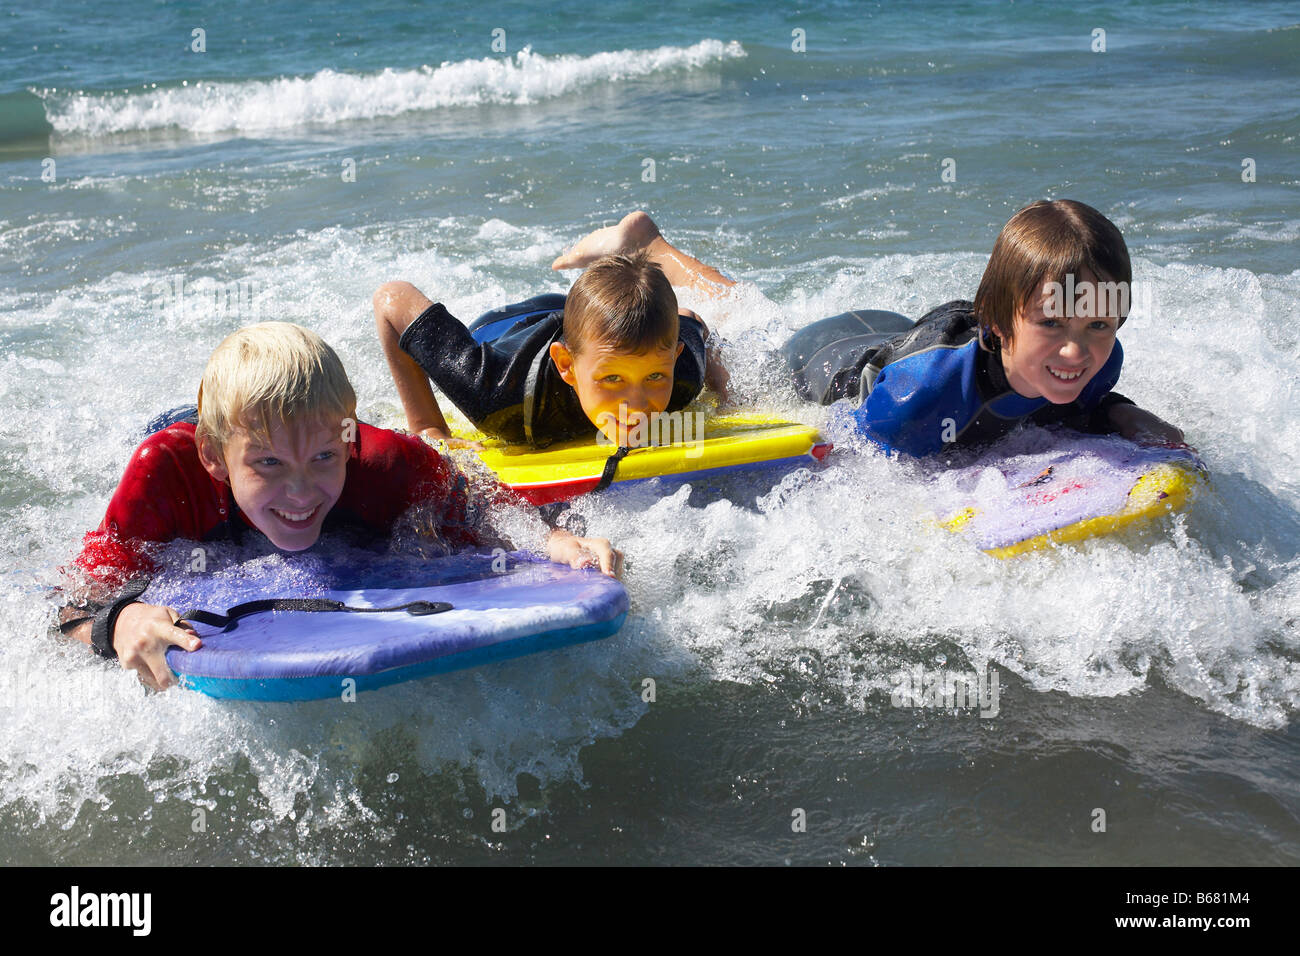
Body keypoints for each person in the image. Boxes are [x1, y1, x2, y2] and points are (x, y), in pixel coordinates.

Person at [60, 322, 622, 691]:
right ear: (216, 459)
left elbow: (480, 506)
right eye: (269, 465)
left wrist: (554, 537)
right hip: (188, 429)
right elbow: (65, 606)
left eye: (325, 457)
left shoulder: (380, 461)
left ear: (347, 440)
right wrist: (117, 621)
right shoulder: (169, 472)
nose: (302, 495)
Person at [562, 206, 1183, 458]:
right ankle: (646, 244)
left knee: (757, 311)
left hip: (897, 335)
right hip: (825, 363)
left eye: (1099, 324)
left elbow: (1085, 395)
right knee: (753, 326)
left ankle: (649, 242)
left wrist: (1122, 415)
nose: (1078, 348)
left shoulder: (1097, 360)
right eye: (1052, 325)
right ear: (1000, 319)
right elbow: (832, 452)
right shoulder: (917, 404)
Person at [373, 249, 729, 450]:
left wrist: (723, 389)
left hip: (588, 322)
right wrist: (428, 428)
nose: (636, 405)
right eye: (613, 379)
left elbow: (689, 317)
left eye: (654, 376)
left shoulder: (681, 374)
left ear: (674, 358)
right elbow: (392, 298)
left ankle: (641, 242)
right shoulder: (495, 394)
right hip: (502, 328)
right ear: (566, 365)